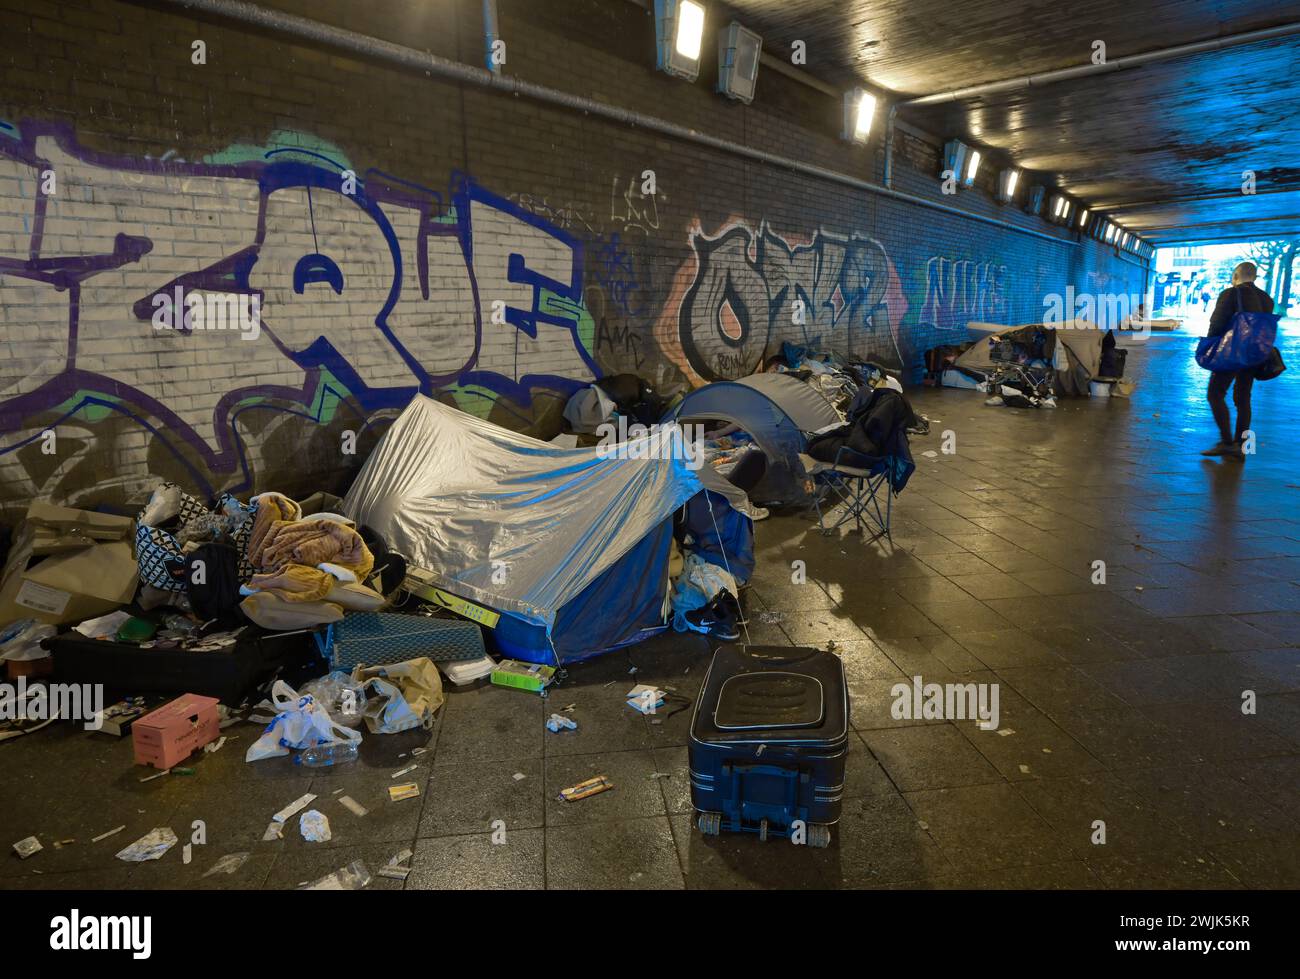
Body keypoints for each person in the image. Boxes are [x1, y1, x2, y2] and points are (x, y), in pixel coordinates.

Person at [1201, 262, 1274, 458]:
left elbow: (1216, 323)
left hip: (1232, 353)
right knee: (1243, 398)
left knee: (1215, 393)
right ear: (1255, 277)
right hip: (1255, 354)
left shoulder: (1231, 294)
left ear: (1235, 275)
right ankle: (1240, 446)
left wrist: (1210, 347)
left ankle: (1226, 443)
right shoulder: (1266, 299)